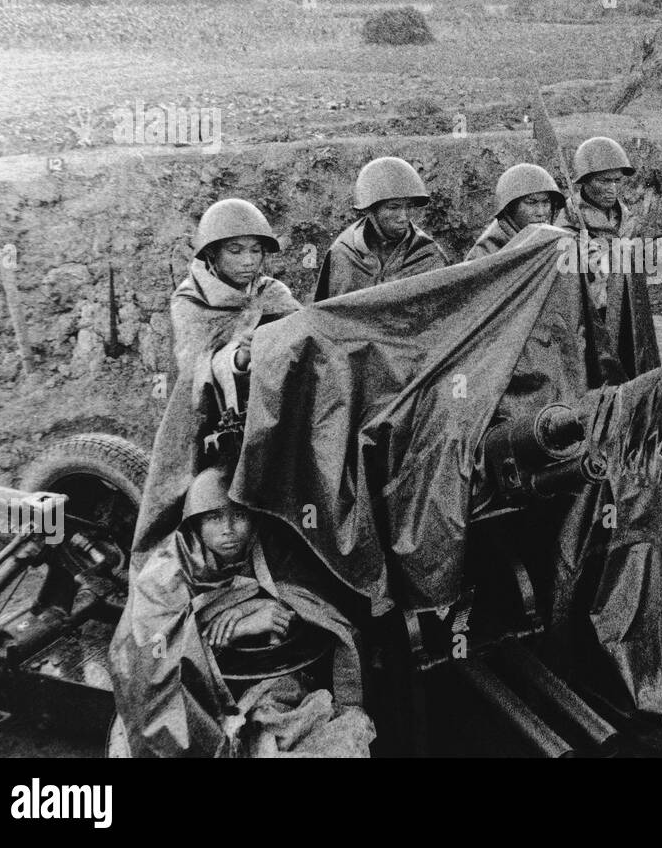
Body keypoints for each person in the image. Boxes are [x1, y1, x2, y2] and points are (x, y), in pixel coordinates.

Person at [110, 465, 373, 758]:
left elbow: (316, 601)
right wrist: (238, 627)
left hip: (263, 684)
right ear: (193, 523)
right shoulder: (163, 577)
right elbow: (152, 657)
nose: (228, 530)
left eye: (239, 515)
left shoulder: (270, 547)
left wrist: (259, 604)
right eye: (213, 517)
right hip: (192, 696)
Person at [133, 198, 302, 559]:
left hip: (270, 418)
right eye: (235, 250)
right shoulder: (191, 302)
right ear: (212, 254)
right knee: (201, 503)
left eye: (256, 250)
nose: (248, 260)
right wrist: (238, 358)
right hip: (211, 427)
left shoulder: (272, 294)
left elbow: (306, 341)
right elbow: (194, 367)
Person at [554, 137, 660, 378]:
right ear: (584, 181)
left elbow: (648, 269)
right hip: (590, 318)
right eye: (604, 181)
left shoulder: (627, 220)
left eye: (617, 181)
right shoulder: (567, 220)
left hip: (627, 310)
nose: (612, 188)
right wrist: (581, 258)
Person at [313, 157, 450, 301]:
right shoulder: (344, 253)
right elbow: (327, 317)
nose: (403, 217)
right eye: (393, 207)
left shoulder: (427, 254)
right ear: (372, 210)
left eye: (409, 207)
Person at [465, 163, 566, 261]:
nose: (541, 212)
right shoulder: (485, 252)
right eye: (531, 202)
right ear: (510, 207)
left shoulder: (552, 239)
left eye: (546, 202)